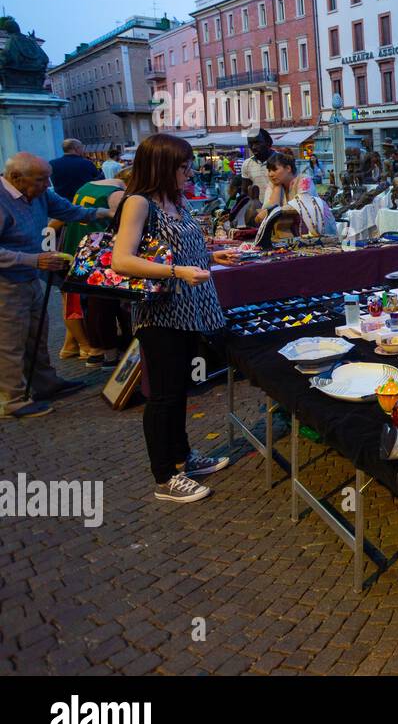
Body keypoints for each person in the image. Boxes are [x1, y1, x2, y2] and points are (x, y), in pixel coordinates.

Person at [111, 133, 240, 502]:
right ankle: (164, 477)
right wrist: (177, 273)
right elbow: (123, 259)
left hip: (190, 308)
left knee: (177, 388)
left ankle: (183, 456)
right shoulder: (138, 203)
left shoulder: (175, 200)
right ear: (163, 166)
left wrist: (214, 258)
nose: (190, 172)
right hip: (161, 312)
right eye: (184, 166)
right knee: (163, 395)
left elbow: (182, 248)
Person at [0, 152, 111, 419]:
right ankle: (12, 401)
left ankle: (45, 384)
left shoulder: (37, 193)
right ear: (16, 178)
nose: (47, 186)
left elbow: (69, 210)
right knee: (10, 342)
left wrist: (106, 211)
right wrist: (34, 259)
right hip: (6, 283)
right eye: (41, 180)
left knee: (37, 332)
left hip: (27, 277)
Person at [59, 174, 129, 365]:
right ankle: (112, 352)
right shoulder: (117, 194)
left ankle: (95, 350)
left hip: (82, 249)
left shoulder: (88, 185)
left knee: (93, 304)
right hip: (102, 253)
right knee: (107, 304)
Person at [255, 153, 337, 236]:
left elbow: (300, 204)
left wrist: (272, 212)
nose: (270, 174)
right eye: (269, 170)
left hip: (318, 227)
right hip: (291, 231)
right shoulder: (274, 184)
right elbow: (266, 209)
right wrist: (277, 188)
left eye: (274, 169)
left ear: (288, 168)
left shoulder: (304, 180)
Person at [241, 128, 273, 214]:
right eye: (250, 144)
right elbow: (245, 193)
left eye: (257, 143)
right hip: (258, 212)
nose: (254, 147)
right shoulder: (247, 164)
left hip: (279, 212)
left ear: (268, 142)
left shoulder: (282, 161)